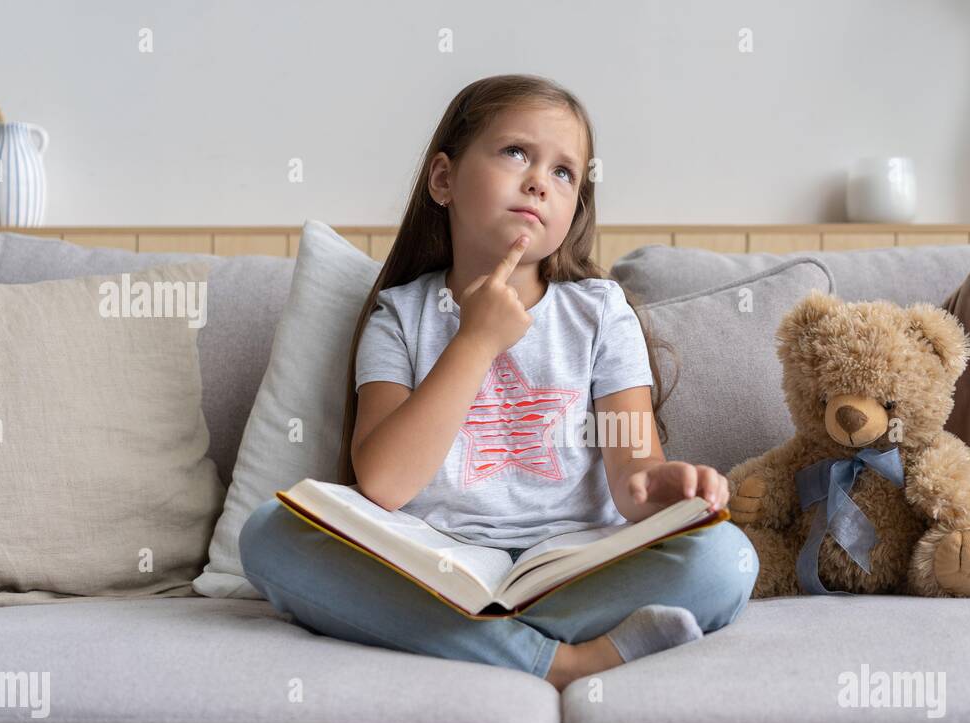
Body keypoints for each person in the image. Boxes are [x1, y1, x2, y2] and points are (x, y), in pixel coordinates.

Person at [240, 73, 758, 691]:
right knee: (270, 536)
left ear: (574, 209)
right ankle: (563, 660)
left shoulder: (600, 314)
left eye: (565, 172)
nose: (540, 180)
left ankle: (471, 639)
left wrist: (663, 485)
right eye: (516, 152)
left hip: (573, 565)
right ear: (444, 180)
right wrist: (475, 340)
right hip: (433, 562)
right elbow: (384, 483)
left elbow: (632, 477)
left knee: (727, 559)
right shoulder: (399, 316)